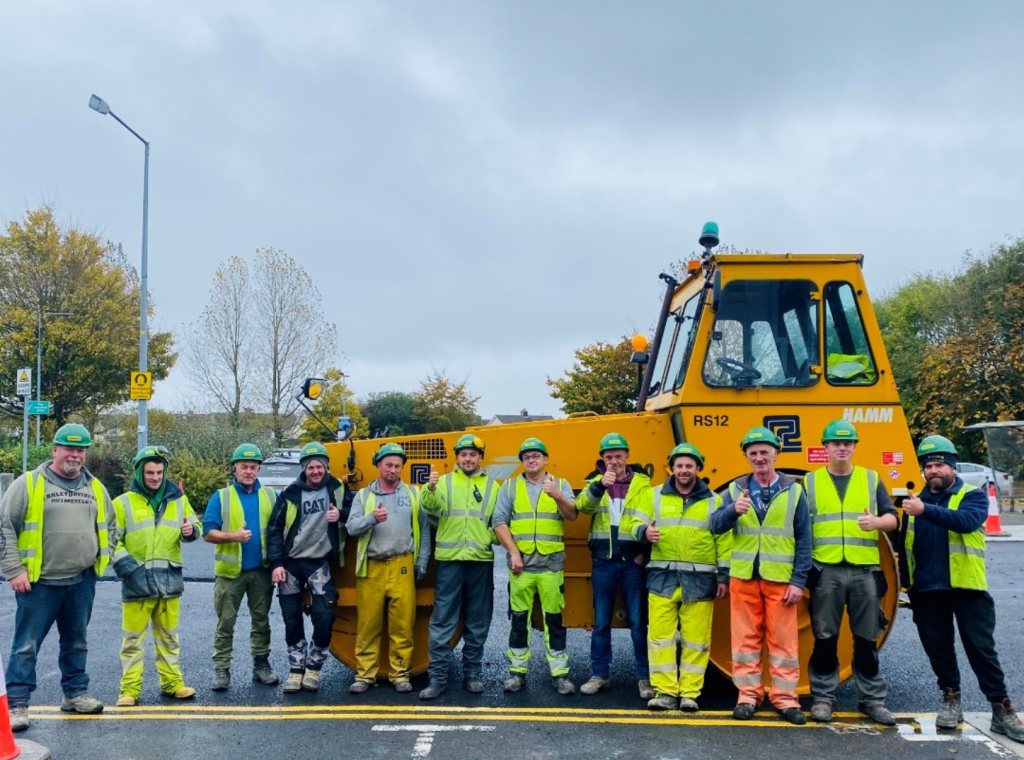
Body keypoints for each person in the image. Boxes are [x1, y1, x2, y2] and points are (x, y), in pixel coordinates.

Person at [900, 435, 1024, 742]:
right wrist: (907, 586)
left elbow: (967, 522)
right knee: (939, 651)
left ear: (953, 467)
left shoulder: (972, 496)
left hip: (967, 589)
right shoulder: (914, 503)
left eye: (940, 464)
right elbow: (904, 546)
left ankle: (1002, 708)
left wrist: (924, 510)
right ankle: (951, 700)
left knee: (981, 651)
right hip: (927, 590)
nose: (934, 471)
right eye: (928, 466)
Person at [0, 424, 116, 732]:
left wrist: (99, 558)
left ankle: (75, 694)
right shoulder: (29, 484)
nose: (75, 455)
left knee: (76, 642)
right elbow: (4, 527)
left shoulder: (95, 488)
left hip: (81, 581)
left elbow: (111, 527)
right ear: (55, 450)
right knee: (26, 645)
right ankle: (17, 704)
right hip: (38, 583)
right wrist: (14, 569)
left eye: (81, 450)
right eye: (69, 448)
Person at [710, 426, 811, 725]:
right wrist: (733, 512)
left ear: (776, 454)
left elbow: (805, 539)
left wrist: (799, 581)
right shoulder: (734, 491)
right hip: (743, 577)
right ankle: (748, 696)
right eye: (752, 453)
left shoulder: (794, 491)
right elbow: (714, 525)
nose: (759, 457)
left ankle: (785, 699)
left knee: (784, 642)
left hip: (780, 579)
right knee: (744, 640)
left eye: (764, 452)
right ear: (746, 457)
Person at [622, 443, 731, 711]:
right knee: (660, 639)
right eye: (679, 465)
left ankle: (690, 694)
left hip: (700, 580)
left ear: (698, 469)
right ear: (672, 467)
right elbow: (629, 522)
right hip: (663, 577)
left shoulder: (715, 501)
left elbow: (725, 540)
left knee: (697, 640)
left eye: (689, 465)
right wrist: (643, 533)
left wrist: (724, 576)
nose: (684, 470)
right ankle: (666, 693)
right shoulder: (653, 495)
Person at [804, 421, 898, 725]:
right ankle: (823, 698)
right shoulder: (810, 482)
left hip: (864, 571)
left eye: (847, 443)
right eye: (835, 443)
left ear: (854, 447)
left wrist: (878, 524)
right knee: (825, 638)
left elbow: (893, 519)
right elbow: (799, 528)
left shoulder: (871, 479)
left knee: (867, 639)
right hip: (826, 571)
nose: (841, 448)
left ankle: (872, 700)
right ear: (825, 448)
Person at [112, 446, 201, 706]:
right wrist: (130, 570)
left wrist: (190, 531)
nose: (155, 477)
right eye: (150, 472)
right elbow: (111, 542)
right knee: (132, 640)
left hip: (169, 580)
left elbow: (195, 526)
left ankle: (172, 684)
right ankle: (129, 690)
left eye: (159, 472)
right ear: (140, 473)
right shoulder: (123, 502)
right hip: (136, 581)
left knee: (169, 637)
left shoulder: (178, 500)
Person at [492, 437, 579, 696]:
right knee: (519, 621)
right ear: (522, 461)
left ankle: (560, 674)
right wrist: (513, 553)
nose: (532, 460)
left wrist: (557, 496)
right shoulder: (509, 487)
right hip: (522, 566)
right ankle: (516, 673)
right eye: (527, 456)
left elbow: (572, 514)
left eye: (536, 456)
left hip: (551, 565)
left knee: (554, 620)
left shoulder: (560, 484)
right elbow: (499, 521)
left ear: (545, 459)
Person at [418, 434, 500, 700]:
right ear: (456, 458)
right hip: (449, 560)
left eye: (473, 454)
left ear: (480, 457)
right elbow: (430, 508)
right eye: (463, 454)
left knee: (478, 618)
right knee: (443, 619)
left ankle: (472, 674)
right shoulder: (442, 483)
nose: (468, 459)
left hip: (480, 560)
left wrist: (489, 538)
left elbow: (499, 521)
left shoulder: (493, 486)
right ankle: (438, 678)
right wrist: (429, 490)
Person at [346, 443, 430, 694]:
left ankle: (400, 674)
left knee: (402, 625)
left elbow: (424, 531)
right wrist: (372, 518)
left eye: (397, 465)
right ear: (378, 465)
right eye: (388, 465)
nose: (393, 469)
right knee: (368, 624)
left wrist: (422, 561)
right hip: (371, 566)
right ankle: (364, 675)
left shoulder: (415, 494)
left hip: (402, 564)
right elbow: (351, 528)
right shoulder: (363, 496)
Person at [576, 432, 653, 700]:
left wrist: (644, 554)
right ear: (603, 460)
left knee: (638, 623)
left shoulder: (643, 484)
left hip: (633, 564)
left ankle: (644, 679)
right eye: (609, 457)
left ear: (627, 456)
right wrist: (599, 486)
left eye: (618, 456)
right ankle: (599, 675)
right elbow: (582, 508)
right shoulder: (594, 481)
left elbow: (651, 519)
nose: (614, 461)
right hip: (604, 564)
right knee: (600, 624)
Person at [267, 441, 346, 693]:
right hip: (290, 564)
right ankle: (295, 671)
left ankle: (313, 668)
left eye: (319, 467)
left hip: (318, 563)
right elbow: (275, 531)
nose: (315, 471)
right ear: (304, 469)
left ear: (326, 468)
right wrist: (276, 563)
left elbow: (357, 510)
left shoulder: (337, 489)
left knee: (325, 616)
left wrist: (340, 516)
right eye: (310, 467)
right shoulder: (290, 494)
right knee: (291, 620)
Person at [202, 444, 280, 691]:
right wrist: (233, 537)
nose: (248, 471)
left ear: (259, 469)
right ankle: (222, 669)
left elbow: (279, 531)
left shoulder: (270, 496)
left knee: (261, 621)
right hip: (230, 575)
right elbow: (208, 533)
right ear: (234, 468)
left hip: (261, 571)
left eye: (253, 467)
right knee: (225, 623)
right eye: (243, 467)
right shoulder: (221, 496)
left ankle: (261, 666)